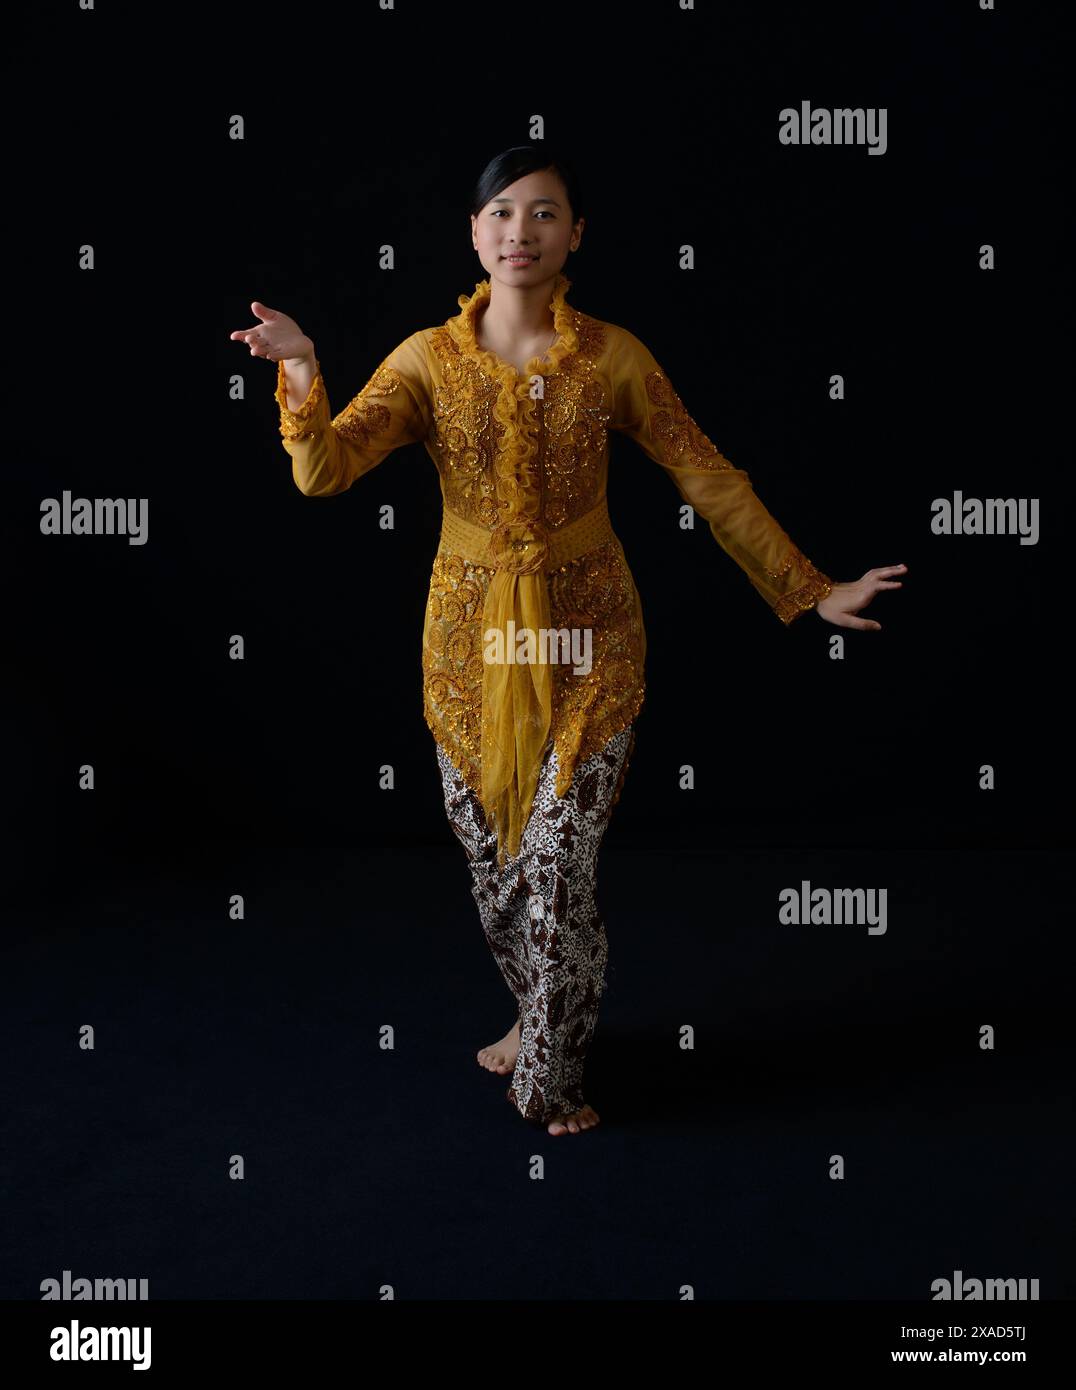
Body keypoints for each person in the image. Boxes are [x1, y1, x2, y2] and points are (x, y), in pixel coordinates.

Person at [229, 146, 907, 1137]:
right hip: (468, 645)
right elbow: (323, 472)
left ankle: (551, 1075)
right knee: (495, 863)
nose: (519, 231)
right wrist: (299, 369)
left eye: (542, 213)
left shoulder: (612, 358)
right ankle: (536, 1008)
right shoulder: (425, 360)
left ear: (574, 234)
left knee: (556, 859)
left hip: (591, 638)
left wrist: (809, 589)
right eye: (500, 212)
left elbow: (706, 476)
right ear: (472, 233)